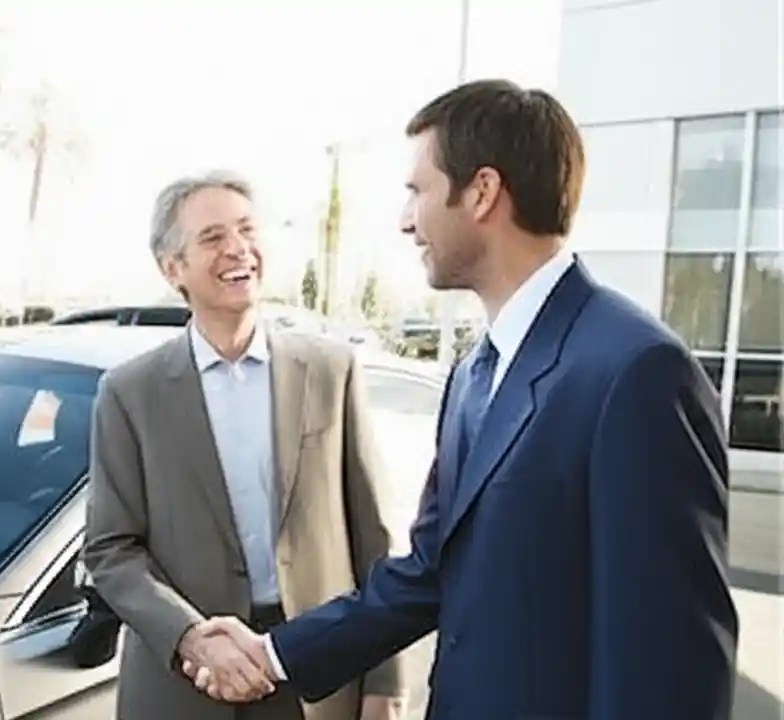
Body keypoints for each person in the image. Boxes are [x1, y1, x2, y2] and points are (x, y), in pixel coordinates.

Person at [188, 80, 740, 719]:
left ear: (482, 192)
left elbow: (669, 666)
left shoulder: (637, 371)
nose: (405, 220)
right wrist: (275, 653)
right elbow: (429, 571)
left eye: (417, 190)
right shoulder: (474, 373)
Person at [82, 171, 407, 720]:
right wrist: (189, 637)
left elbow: (373, 540)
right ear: (172, 268)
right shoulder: (128, 393)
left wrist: (386, 683)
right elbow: (111, 551)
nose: (237, 249)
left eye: (246, 229)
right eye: (212, 237)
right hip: (186, 688)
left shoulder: (331, 371)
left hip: (316, 676)